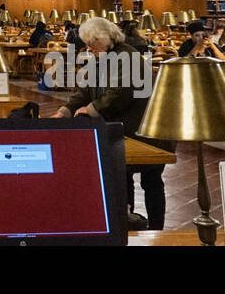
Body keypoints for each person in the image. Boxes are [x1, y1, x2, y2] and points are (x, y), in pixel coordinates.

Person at [49, 16, 170, 231]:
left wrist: (93, 109)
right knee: (122, 177)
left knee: (151, 180)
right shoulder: (102, 57)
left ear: (105, 39)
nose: (88, 49)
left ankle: (157, 230)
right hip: (123, 130)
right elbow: (85, 89)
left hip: (145, 130)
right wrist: (64, 111)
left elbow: (121, 92)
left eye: (92, 44)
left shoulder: (128, 57)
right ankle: (127, 222)